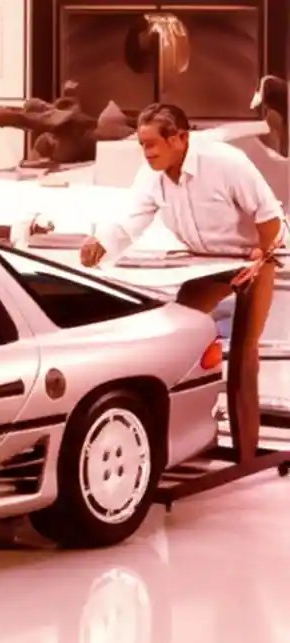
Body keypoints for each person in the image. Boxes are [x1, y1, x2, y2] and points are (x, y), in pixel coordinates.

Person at [80, 103, 286, 461]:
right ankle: (186, 435)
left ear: (179, 138)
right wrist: (101, 244)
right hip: (203, 261)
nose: (146, 153)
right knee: (178, 337)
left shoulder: (225, 163)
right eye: (142, 145)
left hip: (253, 256)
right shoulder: (151, 175)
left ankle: (247, 453)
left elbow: (269, 218)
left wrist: (260, 259)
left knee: (244, 351)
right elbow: (132, 220)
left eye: (152, 144)